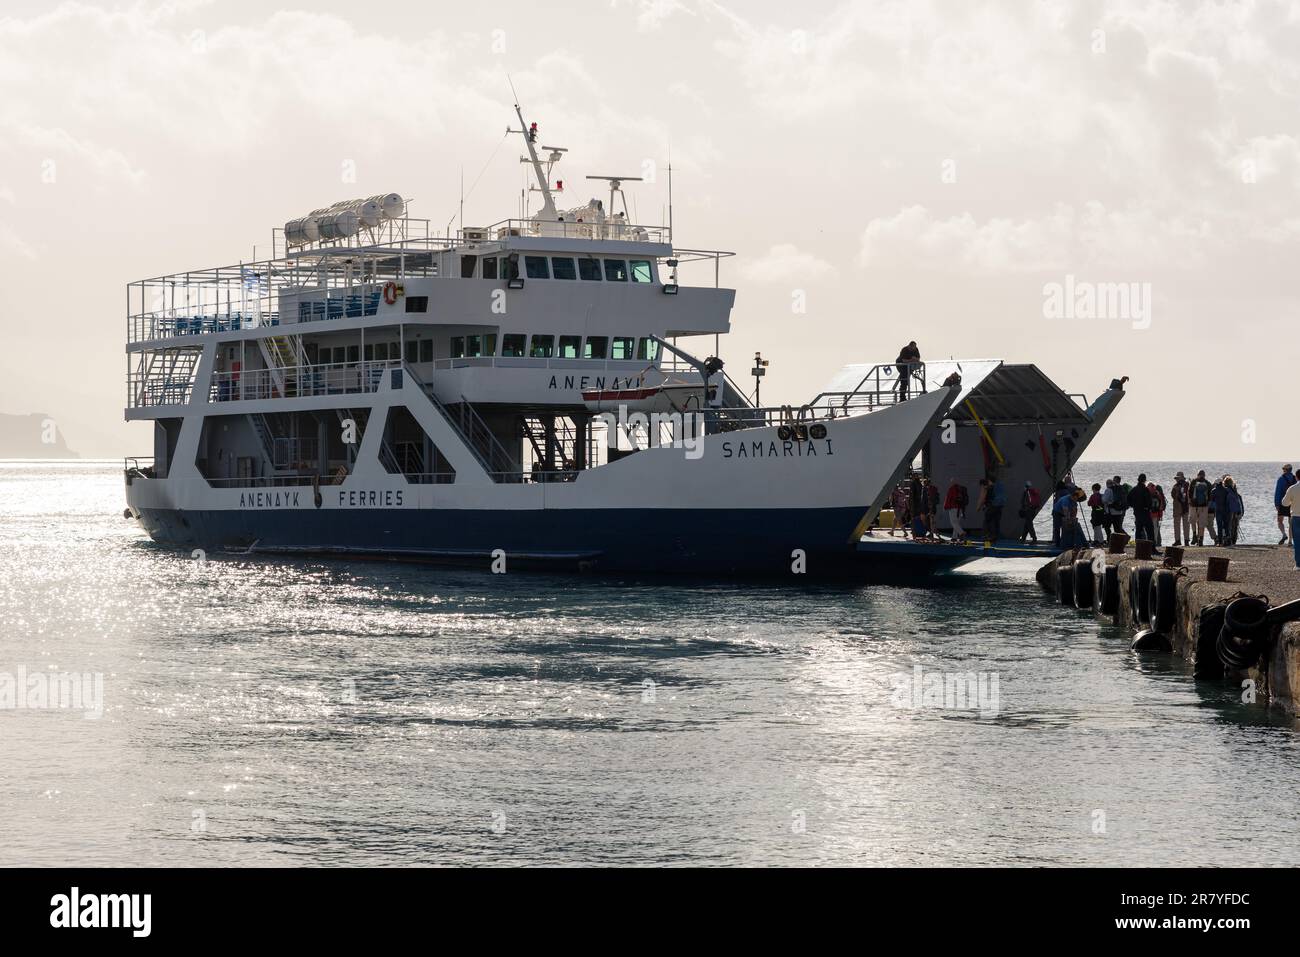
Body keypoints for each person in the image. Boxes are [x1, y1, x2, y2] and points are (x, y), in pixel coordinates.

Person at [1128, 473, 1156, 547]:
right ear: (1144, 480)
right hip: (1145, 512)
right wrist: (1149, 508)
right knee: (1150, 531)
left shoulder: (1134, 489)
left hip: (1137, 512)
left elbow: (1128, 499)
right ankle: (1152, 548)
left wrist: (1133, 506)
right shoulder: (1145, 489)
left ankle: (1138, 548)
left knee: (1138, 531)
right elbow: (1149, 501)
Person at [1188, 469, 1212, 545]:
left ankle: (1194, 534)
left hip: (1193, 506)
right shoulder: (1208, 483)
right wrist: (1207, 504)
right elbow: (1210, 496)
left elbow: (1189, 493)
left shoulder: (1193, 481)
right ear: (1204, 475)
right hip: (1203, 507)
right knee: (1202, 523)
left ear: (1197, 474)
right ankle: (1200, 540)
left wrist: (1190, 502)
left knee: (1193, 521)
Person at [1275, 464, 1296, 546]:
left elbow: (1278, 492)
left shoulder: (1281, 479)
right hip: (1293, 503)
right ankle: (1290, 541)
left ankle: (1284, 534)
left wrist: (1276, 503)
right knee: (1291, 523)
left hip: (1283, 502)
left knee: (1280, 521)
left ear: (1285, 470)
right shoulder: (1295, 478)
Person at [944, 476, 968, 543]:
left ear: (952, 482)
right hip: (960, 508)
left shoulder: (951, 489)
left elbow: (948, 498)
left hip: (953, 508)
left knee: (953, 522)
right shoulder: (961, 489)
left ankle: (961, 533)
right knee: (956, 523)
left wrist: (945, 507)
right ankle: (954, 537)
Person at [1283, 478, 1300, 568]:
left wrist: (1292, 501)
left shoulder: (1292, 488)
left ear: (1297, 477)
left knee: (1297, 541)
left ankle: (1298, 565)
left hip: (1296, 517)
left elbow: (1284, 503)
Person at [984, 475, 1006, 544]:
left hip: (993, 506)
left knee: (988, 520)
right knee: (996, 521)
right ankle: (995, 537)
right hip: (1000, 506)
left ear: (990, 481)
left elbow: (989, 498)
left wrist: (985, 504)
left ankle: (989, 536)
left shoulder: (991, 488)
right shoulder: (999, 486)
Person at [1170, 471, 1190, 546]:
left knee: (1177, 525)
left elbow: (1173, 495)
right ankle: (1186, 540)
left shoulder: (1175, 486)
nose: (1176, 479)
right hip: (1186, 507)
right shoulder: (1187, 485)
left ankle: (1178, 540)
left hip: (1177, 508)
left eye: (1177, 478)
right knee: (1186, 525)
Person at [1224, 476, 1244, 546]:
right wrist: (1240, 513)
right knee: (1235, 526)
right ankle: (1233, 540)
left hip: (1228, 511)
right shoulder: (1235, 492)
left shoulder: (1225, 490)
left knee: (1228, 526)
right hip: (1236, 511)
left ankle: (1228, 539)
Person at [1210, 476, 1229, 546]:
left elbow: (1211, 503)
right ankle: (1227, 540)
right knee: (1226, 526)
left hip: (1218, 511)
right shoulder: (1226, 490)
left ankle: (1220, 542)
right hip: (1226, 510)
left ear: (1216, 483)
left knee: (1219, 526)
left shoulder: (1213, 491)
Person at [1149, 482, 1166, 547]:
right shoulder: (1158, 494)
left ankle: (1152, 542)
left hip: (1149, 514)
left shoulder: (1149, 493)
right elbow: (1161, 506)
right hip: (1157, 514)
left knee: (1150, 529)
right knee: (1156, 529)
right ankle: (1156, 542)